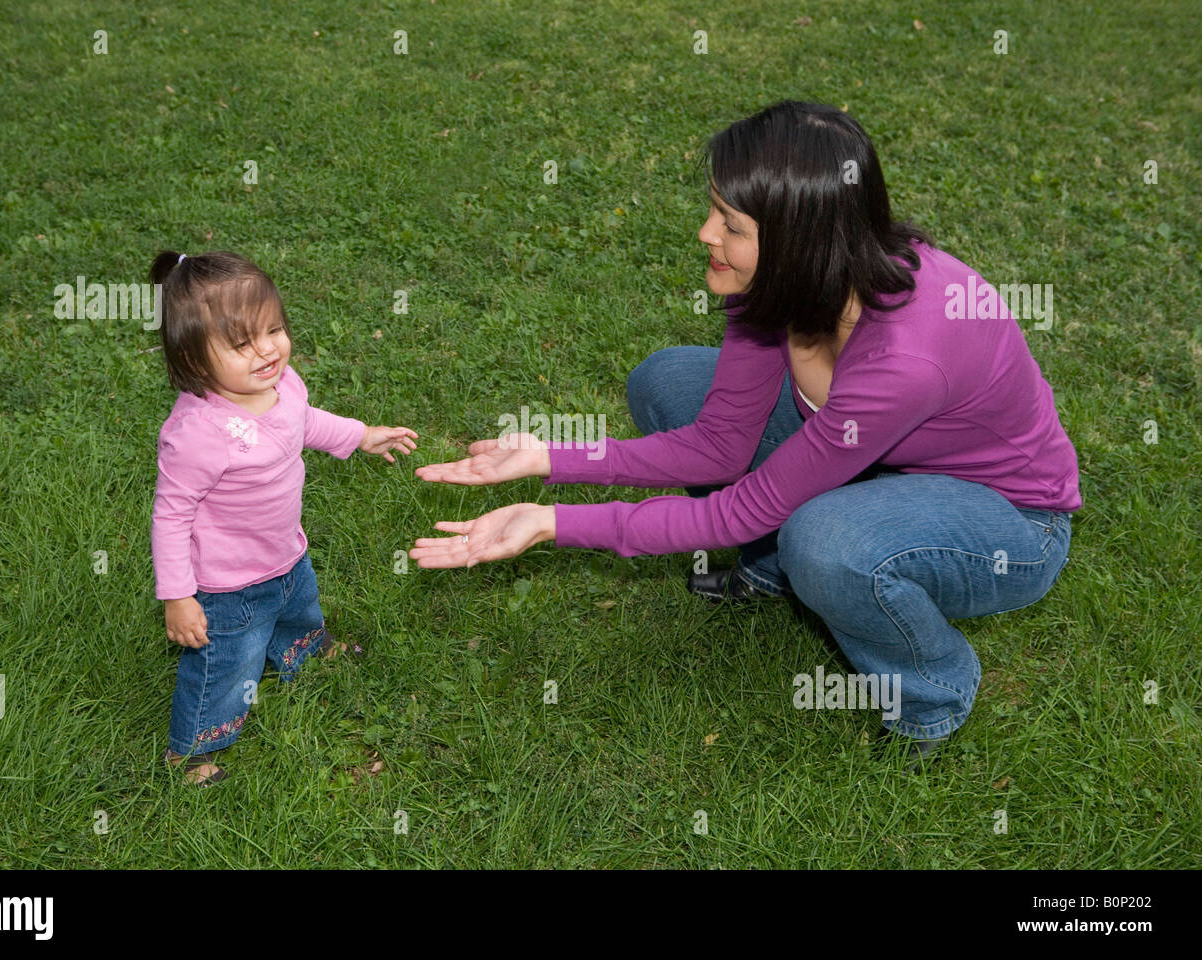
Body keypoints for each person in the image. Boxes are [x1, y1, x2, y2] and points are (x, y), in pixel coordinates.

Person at [410, 101, 1080, 768]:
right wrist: (547, 456)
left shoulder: (906, 359)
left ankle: (932, 694)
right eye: (713, 210)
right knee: (667, 380)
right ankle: (770, 571)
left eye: (730, 224)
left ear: (800, 243)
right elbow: (720, 444)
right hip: (879, 462)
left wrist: (551, 522)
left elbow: (744, 506)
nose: (706, 233)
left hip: (1009, 518)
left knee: (823, 539)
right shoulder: (781, 283)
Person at [150, 250, 417, 785]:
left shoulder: (282, 384)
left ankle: (303, 653)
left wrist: (360, 435)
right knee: (226, 666)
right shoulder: (198, 434)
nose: (267, 349)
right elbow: (171, 516)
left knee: (300, 608)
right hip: (228, 583)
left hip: (284, 550)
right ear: (196, 361)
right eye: (243, 343)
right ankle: (190, 752)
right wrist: (178, 596)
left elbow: (303, 422)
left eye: (273, 329)